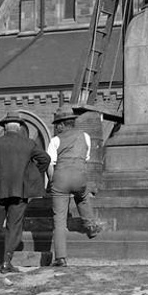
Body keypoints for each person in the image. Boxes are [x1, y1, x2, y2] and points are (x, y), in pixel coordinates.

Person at [0, 111, 50, 274]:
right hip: (19, 192)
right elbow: (45, 159)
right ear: (19, 127)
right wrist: (31, 175)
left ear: (5, 127)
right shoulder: (29, 144)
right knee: (14, 227)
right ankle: (6, 263)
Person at [47, 105, 102, 268]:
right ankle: (91, 226)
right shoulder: (85, 136)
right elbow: (85, 158)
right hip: (80, 177)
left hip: (61, 179)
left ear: (62, 124)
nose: (56, 127)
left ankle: (61, 258)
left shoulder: (55, 140)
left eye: (57, 124)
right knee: (83, 197)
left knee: (59, 219)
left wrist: (52, 182)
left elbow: (50, 165)